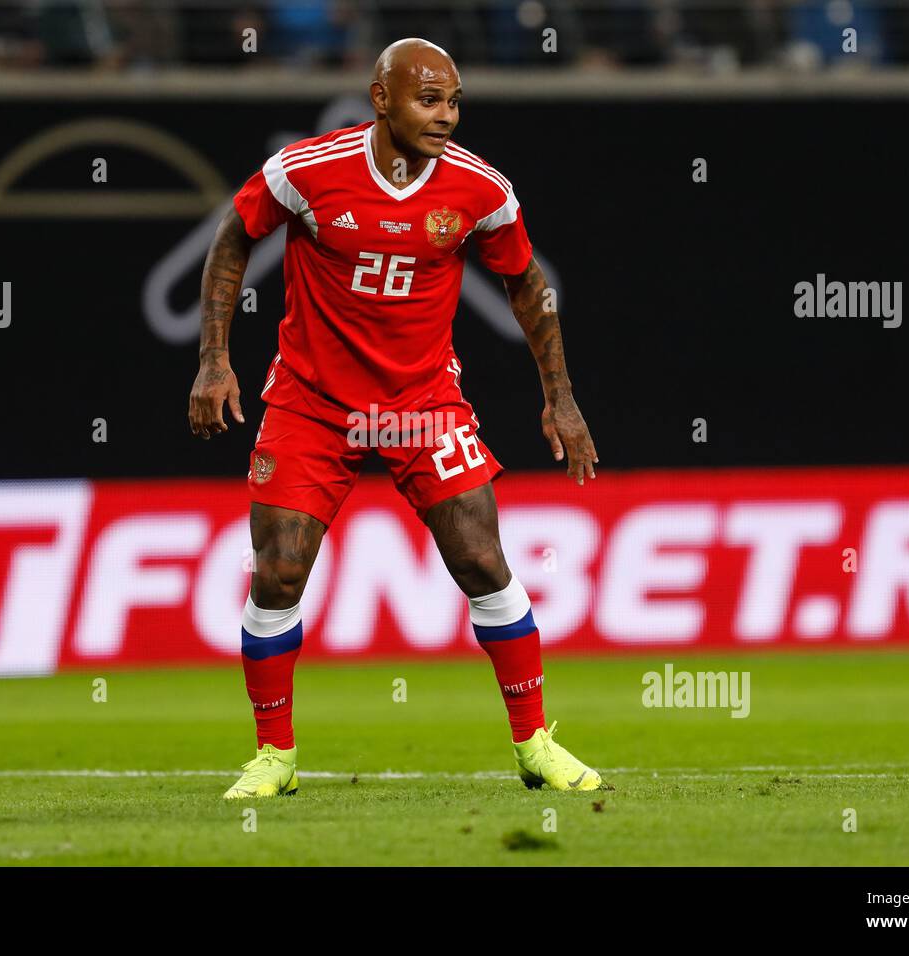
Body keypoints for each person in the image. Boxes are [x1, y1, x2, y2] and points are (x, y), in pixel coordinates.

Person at [190, 37, 608, 798]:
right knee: (278, 573)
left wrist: (562, 397)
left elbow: (526, 284)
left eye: (453, 102)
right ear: (381, 99)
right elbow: (232, 238)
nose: (445, 117)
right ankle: (275, 756)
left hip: (422, 404)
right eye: (428, 100)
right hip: (312, 405)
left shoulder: (480, 191)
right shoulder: (307, 172)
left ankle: (536, 745)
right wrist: (214, 359)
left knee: (483, 559)